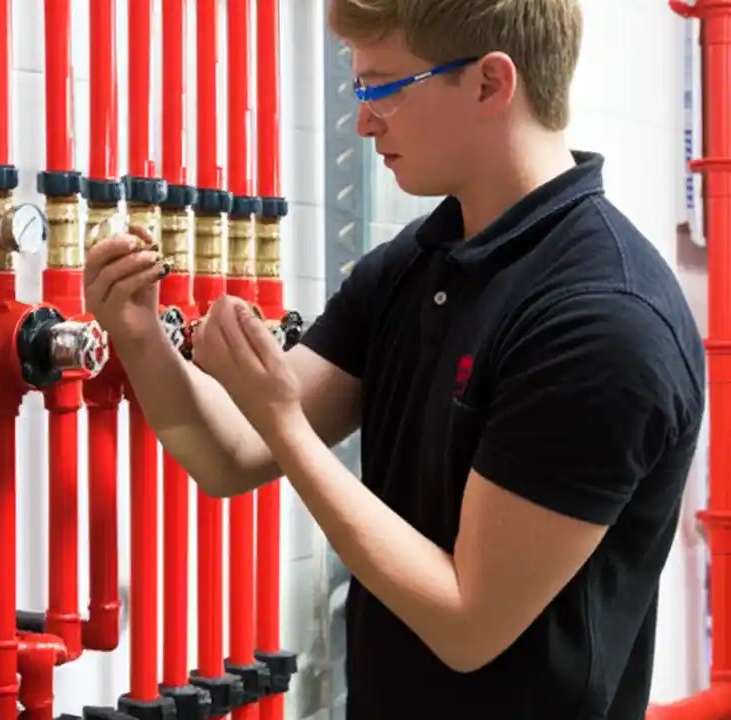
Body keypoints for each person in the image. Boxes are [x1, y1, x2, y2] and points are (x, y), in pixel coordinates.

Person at [82, 0, 707, 717]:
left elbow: (468, 623)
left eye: (382, 88)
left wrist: (282, 419)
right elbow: (229, 457)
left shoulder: (601, 321)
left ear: (489, 84)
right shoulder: (414, 265)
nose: (363, 120)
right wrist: (139, 338)